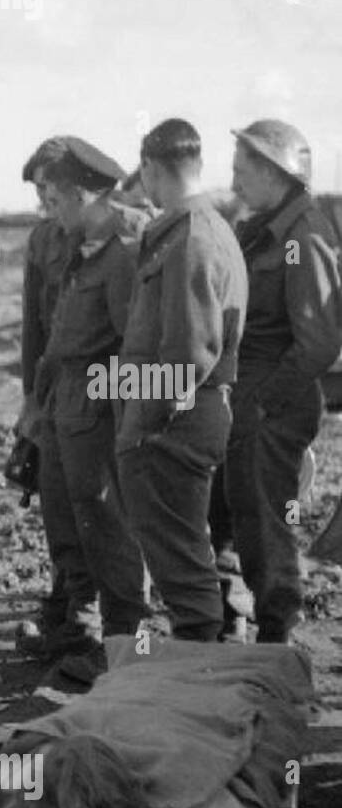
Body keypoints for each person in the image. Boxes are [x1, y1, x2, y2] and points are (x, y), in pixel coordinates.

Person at [116, 120, 248, 642]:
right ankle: (204, 656)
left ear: (150, 168)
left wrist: (144, 423)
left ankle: (200, 674)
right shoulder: (201, 229)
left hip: (174, 420)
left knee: (181, 561)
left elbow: (189, 353)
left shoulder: (191, 236)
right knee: (186, 551)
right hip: (184, 414)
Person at [31, 139, 148, 660]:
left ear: (80, 195)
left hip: (97, 408)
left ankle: (128, 643)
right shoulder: (85, 244)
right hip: (66, 399)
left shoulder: (120, 251)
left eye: (55, 200)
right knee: (68, 513)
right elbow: (51, 331)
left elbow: (132, 350)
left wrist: (115, 421)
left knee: (107, 523)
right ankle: (88, 630)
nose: (49, 213)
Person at [226, 120, 342, 643]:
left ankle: (279, 637)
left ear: (275, 171)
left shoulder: (304, 235)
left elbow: (318, 341)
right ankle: (244, 623)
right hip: (250, 398)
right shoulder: (264, 229)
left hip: (275, 403)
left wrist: (265, 402)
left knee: (266, 524)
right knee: (240, 515)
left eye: (241, 171)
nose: (233, 184)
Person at [18, 138, 75, 641]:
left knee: (96, 506)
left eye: (47, 188)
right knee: (56, 500)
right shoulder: (41, 241)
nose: (41, 200)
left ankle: (91, 619)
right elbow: (32, 326)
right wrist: (30, 400)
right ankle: (65, 601)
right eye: (37, 190)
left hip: (98, 390)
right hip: (54, 389)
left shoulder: (110, 233)